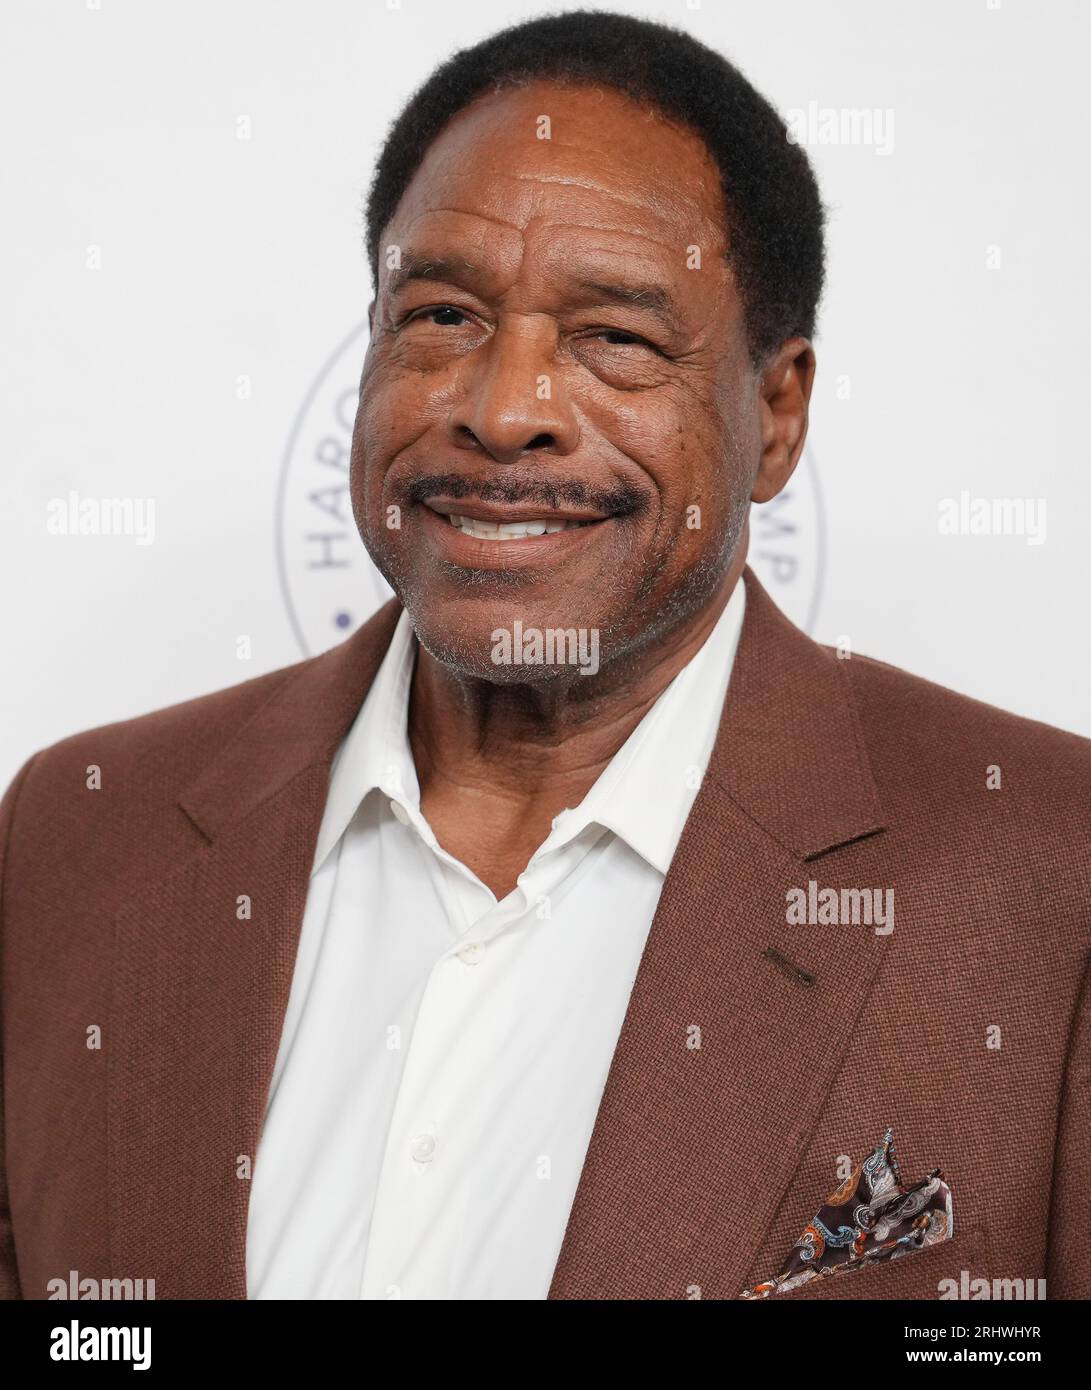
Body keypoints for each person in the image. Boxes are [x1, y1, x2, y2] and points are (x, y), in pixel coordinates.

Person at [2, 11, 1088, 1302]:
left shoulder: (1046, 870)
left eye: (617, 337)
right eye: (445, 314)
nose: (504, 408)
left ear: (777, 413)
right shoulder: (81, 834)